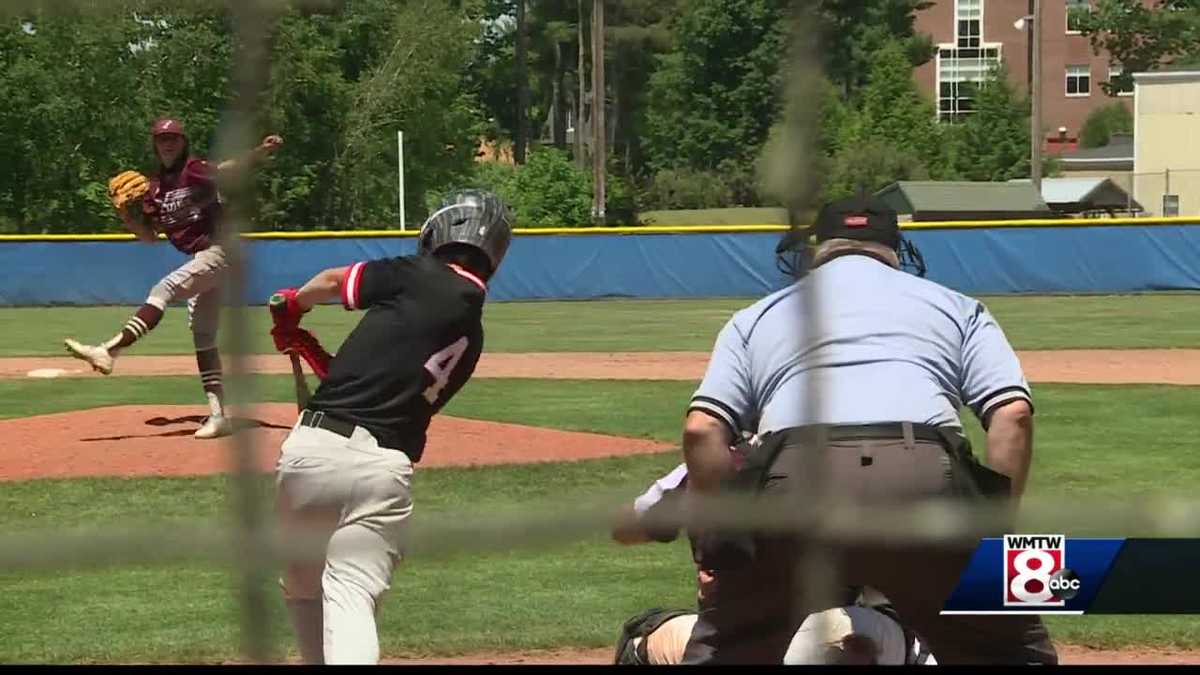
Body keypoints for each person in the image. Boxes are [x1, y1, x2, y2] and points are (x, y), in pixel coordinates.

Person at [677, 195, 1057, 664]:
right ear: (895, 248)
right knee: (1008, 648)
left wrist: (720, 546)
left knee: (730, 647)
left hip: (792, 481)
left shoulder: (756, 317)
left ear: (818, 249)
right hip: (924, 475)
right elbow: (1013, 414)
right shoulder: (958, 306)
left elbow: (701, 430)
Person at [267, 190, 513, 665]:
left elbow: (333, 280)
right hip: (382, 470)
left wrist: (295, 305)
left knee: (302, 586)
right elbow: (377, 392)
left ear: (440, 230)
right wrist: (312, 350)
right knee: (351, 594)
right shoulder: (472, 335)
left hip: (311, 454)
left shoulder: (417, 273)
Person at [63, 117, 283, 439]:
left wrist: (259, 152)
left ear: (183, 143)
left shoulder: (194, 170)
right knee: (203, 336)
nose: (168, 143)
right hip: (205, 258)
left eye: (174, 138)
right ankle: (218, 416)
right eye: (162, 139)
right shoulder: (154, 189)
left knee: (162, 289)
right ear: (154, 145)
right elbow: (150, 236)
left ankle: (109, 350)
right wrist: (126, 216)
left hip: (220, 250)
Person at [610, 454, 936, 665]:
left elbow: (625, 529)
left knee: (642, 636)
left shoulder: (719, 463)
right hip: (880, 638)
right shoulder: (872, 462)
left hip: (794, 642)